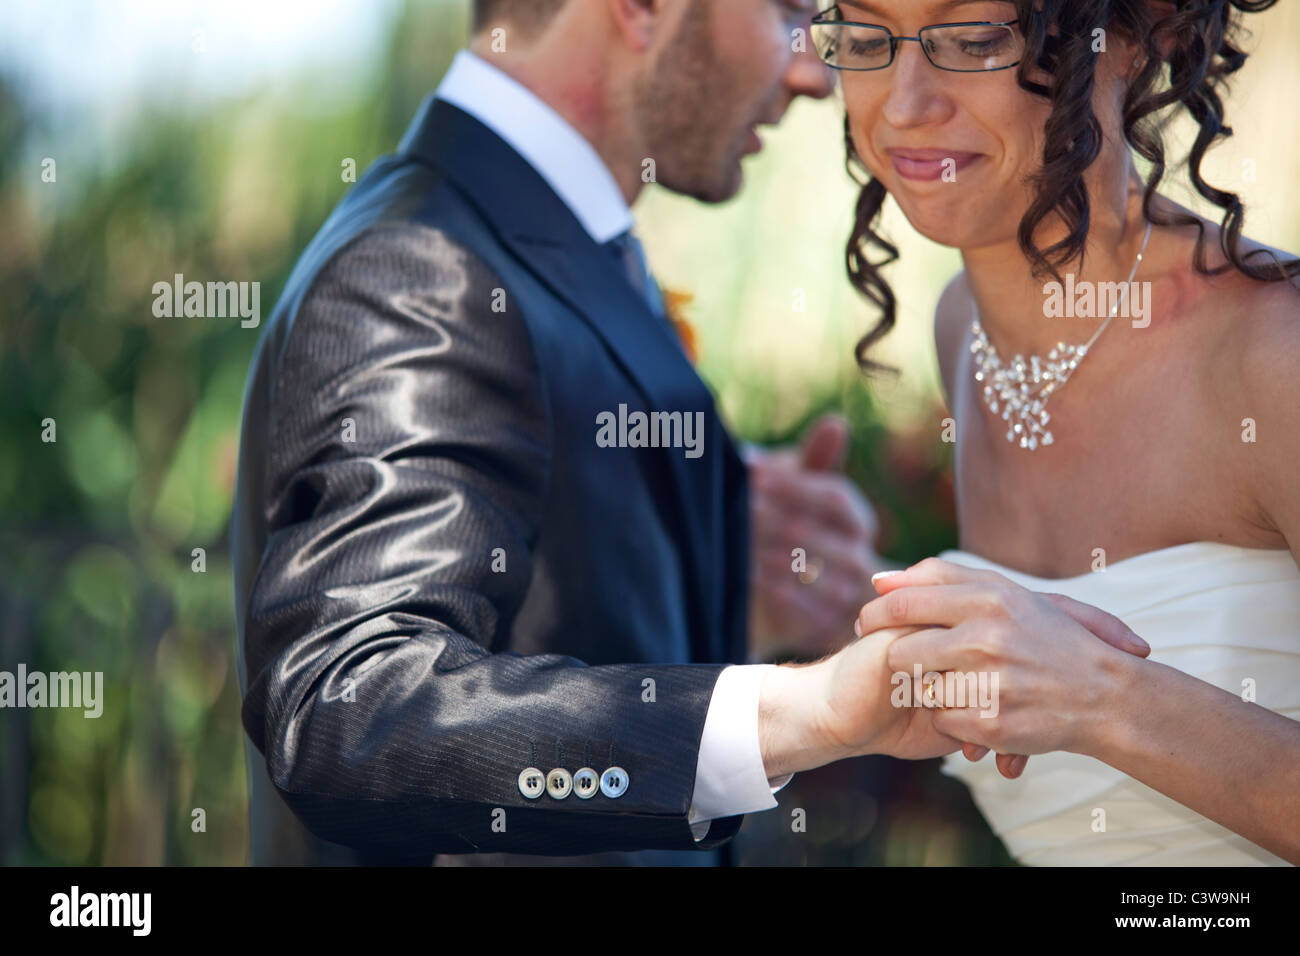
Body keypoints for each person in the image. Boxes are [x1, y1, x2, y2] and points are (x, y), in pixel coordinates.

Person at [815, 0, 1300, 864]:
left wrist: (1107, 702)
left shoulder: (1274, 353)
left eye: (973, 39)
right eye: (864, 39)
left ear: (1148, 35)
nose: (902, 104)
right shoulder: (960, 328)